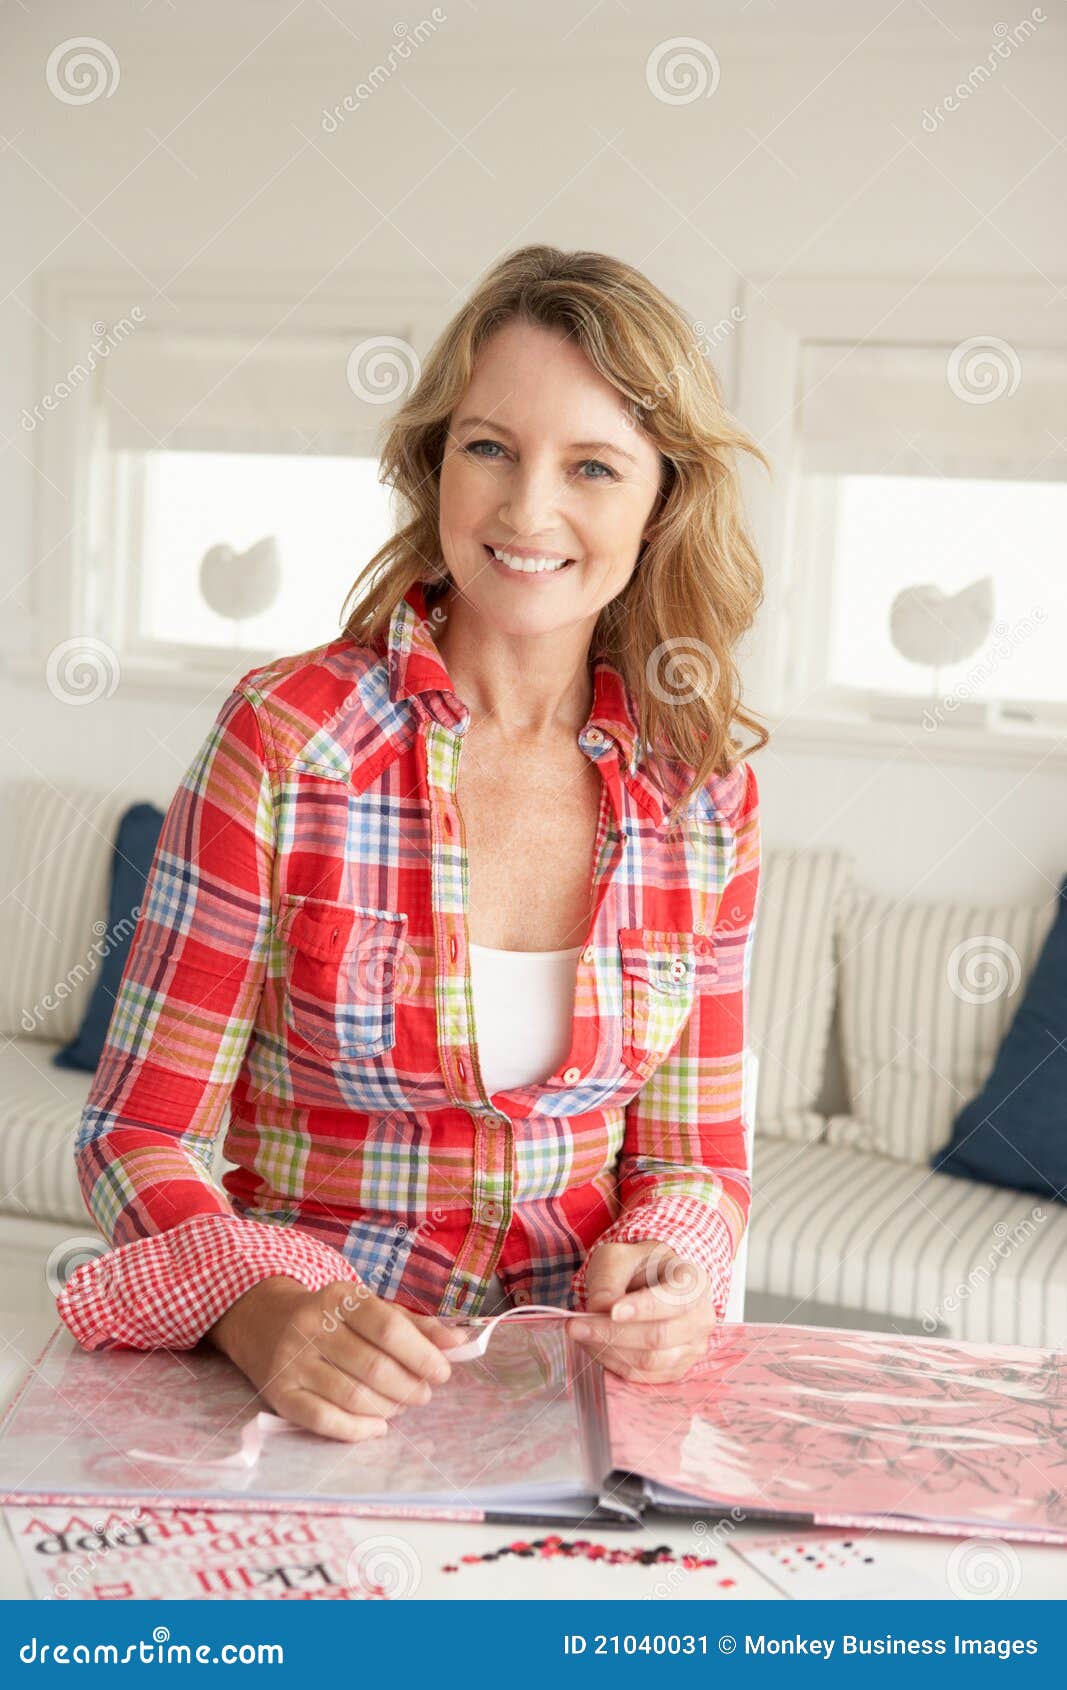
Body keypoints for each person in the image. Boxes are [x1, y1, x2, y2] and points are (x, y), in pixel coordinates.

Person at [58, 244, 768, 1446]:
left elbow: (692, 1160)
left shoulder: (701, 794)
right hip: (309, 1413)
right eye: (488, 446)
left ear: (658, 502)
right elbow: (139, 1133)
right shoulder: (286, 740)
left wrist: (668, 1265)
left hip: (569, 1420)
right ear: (434, 461)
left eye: (590, 465)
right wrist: (261, 1307)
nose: (527, 509)